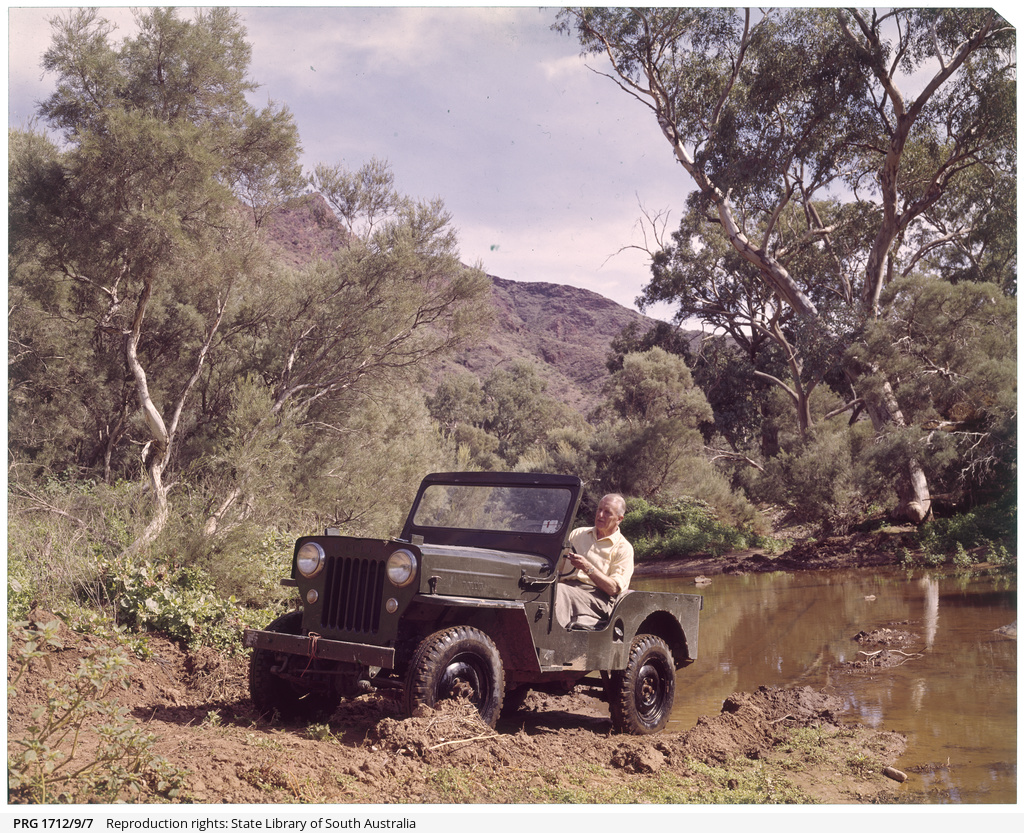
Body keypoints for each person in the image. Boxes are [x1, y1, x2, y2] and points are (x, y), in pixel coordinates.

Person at [554, 493, 634, 629]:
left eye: (607, 512)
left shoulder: (623, 548)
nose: (600, 515)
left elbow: (613, 588)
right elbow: (557, 569)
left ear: (619, 519)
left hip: (598, 598)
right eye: (599, 509)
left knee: (560, 591)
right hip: (566, 588)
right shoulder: (577, 534)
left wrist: (588, 568)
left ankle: (550, 644)